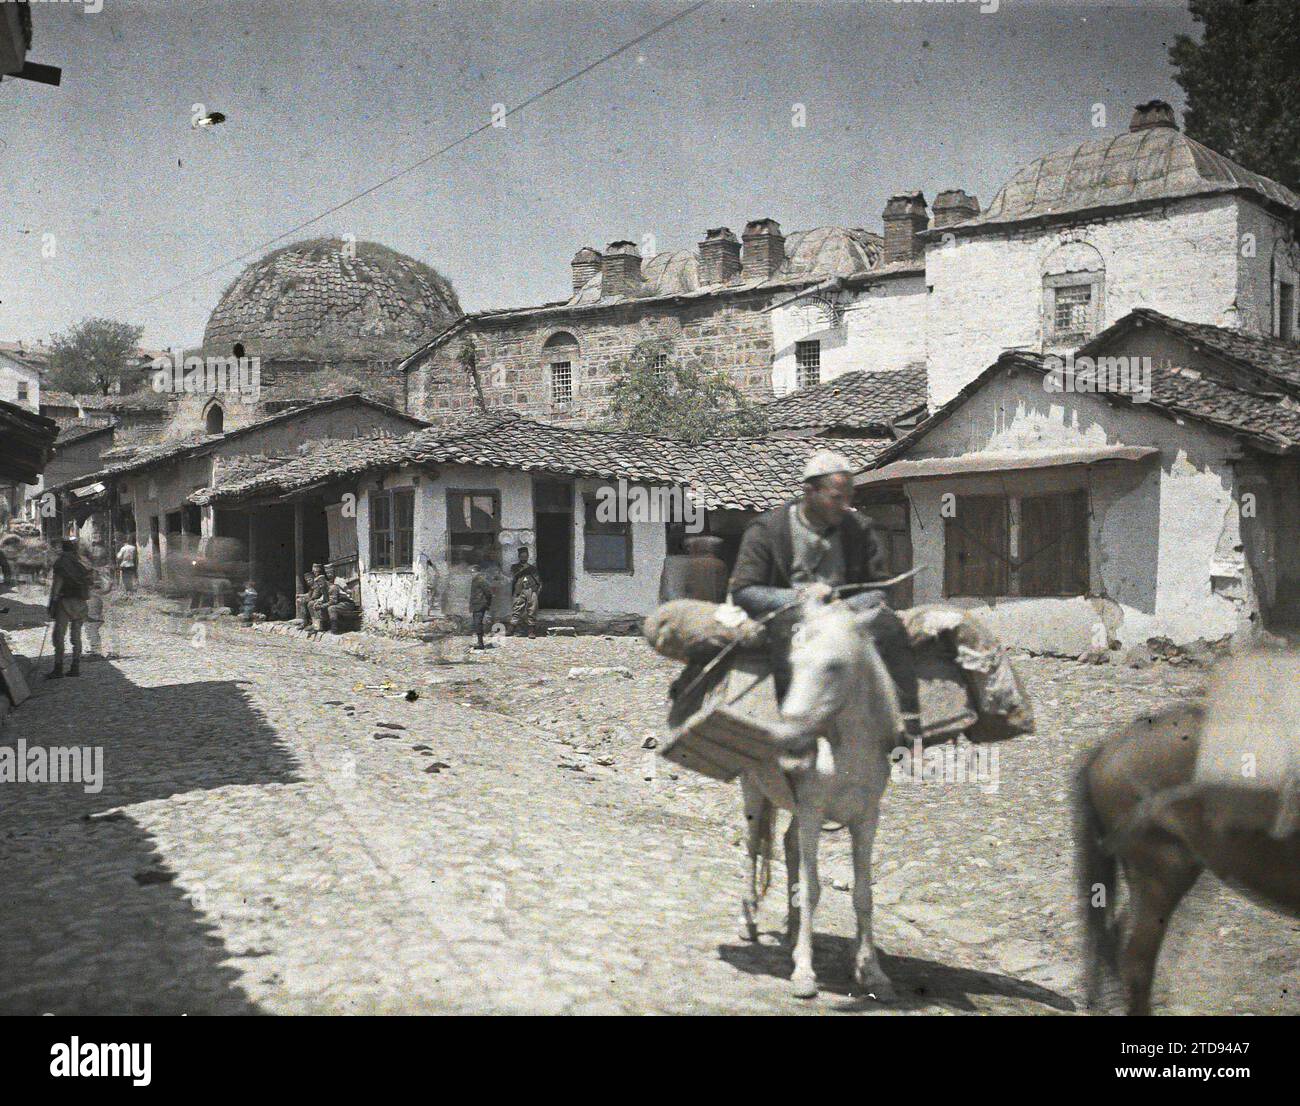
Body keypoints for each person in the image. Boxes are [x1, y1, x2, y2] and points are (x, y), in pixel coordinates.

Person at [729, 449, 922, 740]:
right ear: (809, 492)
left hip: (846, 614)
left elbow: (880, 589)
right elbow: (744, 590)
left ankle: (907, 725)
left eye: (849, 498)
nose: (846, 506)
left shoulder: (860, 529)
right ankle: (795, 729)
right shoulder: (767, 530)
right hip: (791, 615)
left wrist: (838, 605)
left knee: (890, 626)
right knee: (790, 637)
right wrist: (801, 599)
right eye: (836, 497)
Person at [46, 539, 93, 679]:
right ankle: (75, 666)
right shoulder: (80, 563)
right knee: (76, 635)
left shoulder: (61, 563)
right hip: (81, 603)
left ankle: (58, 668)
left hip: (65, 602)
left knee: (59, 635)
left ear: (62, 549)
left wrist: (51, 603)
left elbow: (57, 585)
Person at [83, 568, 116, 660]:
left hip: (92, 616)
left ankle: (96, 652)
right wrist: (108, 581)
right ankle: (97, 650)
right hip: (93, 616)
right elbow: (107, 590)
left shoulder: (89, 592)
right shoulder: (95, 592)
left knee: (92, 633)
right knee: (92, 632)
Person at [509, 547, 542, 638]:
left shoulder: (532, 568)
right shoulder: (515, 567)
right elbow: (514, 576)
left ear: (528, 557)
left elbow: (538, 580)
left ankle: (531, 631)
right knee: (517, 608)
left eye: (525, 556)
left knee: (532, 609)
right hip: (519, 589)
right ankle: (512, 629)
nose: (524, 558)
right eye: (522, 556)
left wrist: (537, 590)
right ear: (519, 557)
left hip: (531, 589)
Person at [469, 557, 494, 649]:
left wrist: (487, 603)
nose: (472, 574)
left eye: (473, 572)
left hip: (480, 604)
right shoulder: (476, 580)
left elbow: (488, 592)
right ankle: (480, 642)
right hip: (476, 605)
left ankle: (480, 643)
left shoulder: (480, 579)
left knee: (478, 623)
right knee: (477, 623)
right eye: (472, 572)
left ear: (477, 572)